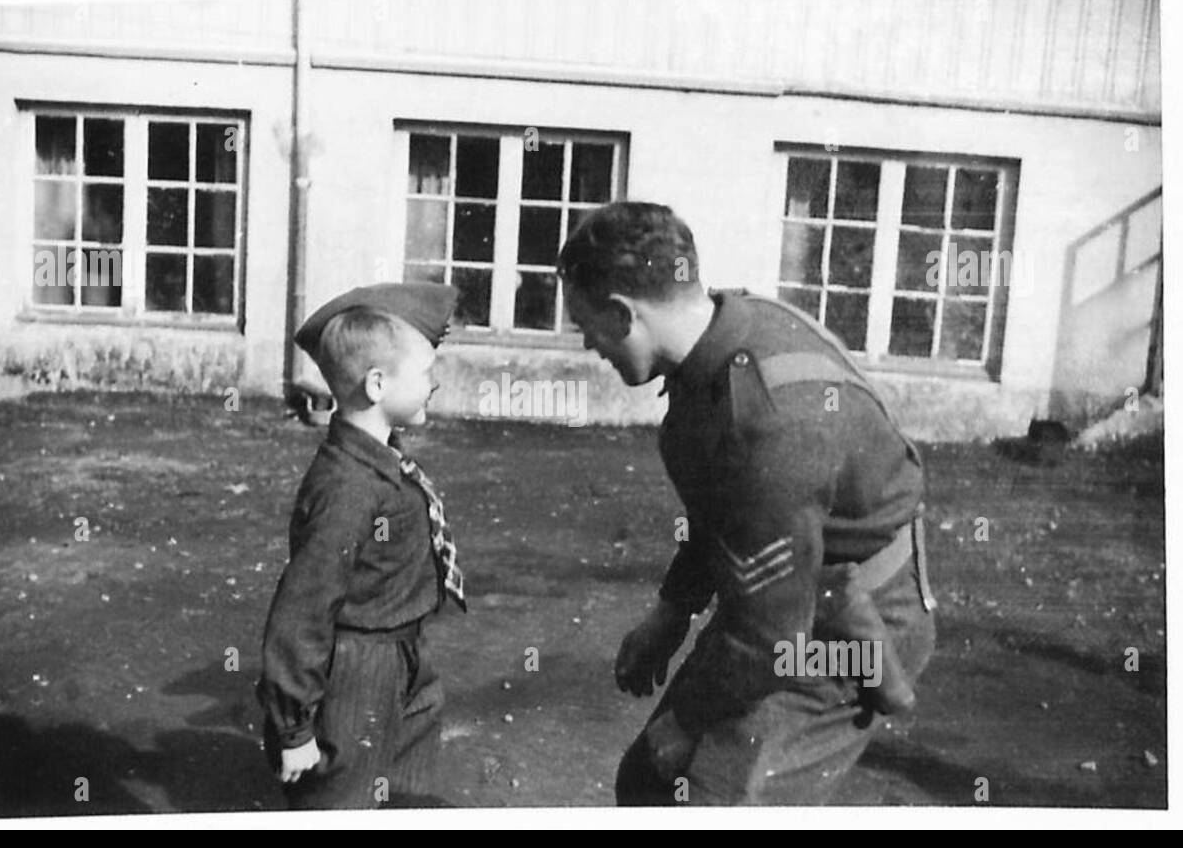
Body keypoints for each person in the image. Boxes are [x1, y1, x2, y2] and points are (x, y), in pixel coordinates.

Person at [557, 202, 937, 805]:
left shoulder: (769, 422)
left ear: (623, 313)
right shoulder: (719, 332)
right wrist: (673, 610)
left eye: (588, 327)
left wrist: (683, 726)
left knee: (705, 800)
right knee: (648, 783)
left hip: (848, 625)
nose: (589, 346)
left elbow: (768, 641)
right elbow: (727, 507)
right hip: (785, 594)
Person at [255, 281, 466, 809]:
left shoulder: (383, 461)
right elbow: (302, 610)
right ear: (377, 384)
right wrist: (294, 727)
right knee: (341, 803)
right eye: (426, 372)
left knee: (405, 799)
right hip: (358, 672)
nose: (435, 383)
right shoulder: (348, 488)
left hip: (405, 656)